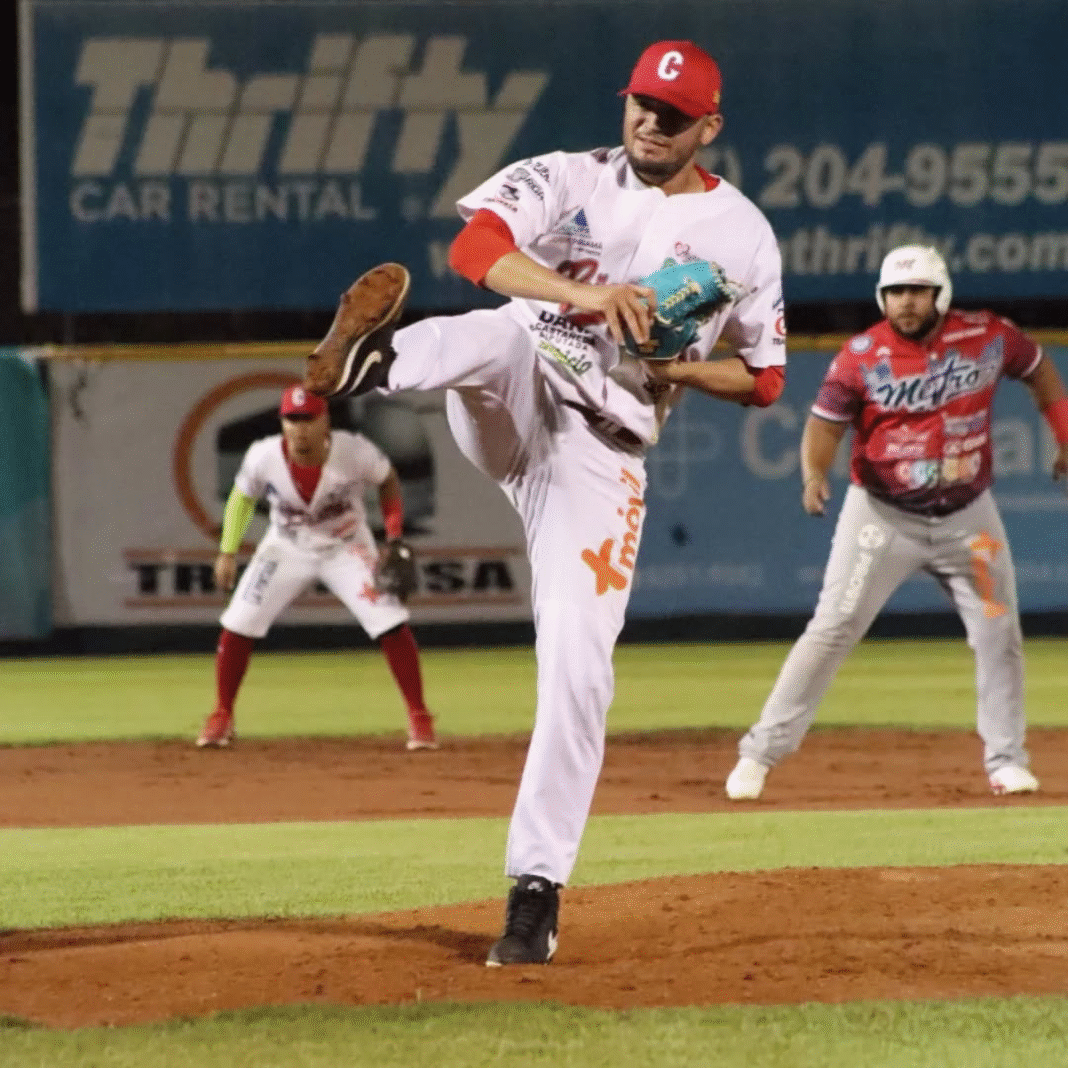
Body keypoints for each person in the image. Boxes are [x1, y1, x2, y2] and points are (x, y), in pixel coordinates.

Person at [304, 40, 786, 965]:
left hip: (600, 458)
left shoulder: (743, 236)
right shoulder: (567, 177)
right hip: (515, 391)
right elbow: (473, 246)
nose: (652, 120)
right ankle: (374, 365)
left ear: (709, 127)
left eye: (674, 113)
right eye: (642, 102)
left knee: (578, 663)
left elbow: (765, 381)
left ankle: (535, 892)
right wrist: (586, 294)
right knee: (502, 335)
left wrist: (676, 364)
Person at [725, 244, 1068, 802]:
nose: (906, 303)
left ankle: (1007, 761)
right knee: (832, 627)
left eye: (917, 291)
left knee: (999, 632)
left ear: (941, 294)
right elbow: (824, 425)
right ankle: (759, 755)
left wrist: (1063, 432)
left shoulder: (988, 336)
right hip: (881, 516)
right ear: (881, 297)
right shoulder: (860, 355)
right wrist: (813, 474)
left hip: (969, 520)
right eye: (895, 293)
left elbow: (1040, 370)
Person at [195, 385, 437, 752]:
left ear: (324, 421)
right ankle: (222, 714)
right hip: (286, 546)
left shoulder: (354, 451)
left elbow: (387, 481)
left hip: (346, 545)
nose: (300, 427)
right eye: (292, 419)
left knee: (389, 620)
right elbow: (241, 500)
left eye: (307, 418)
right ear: (282, 423)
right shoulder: (263, 456)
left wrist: (393, 537)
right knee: (238, 623)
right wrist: (227, 551)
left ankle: (419, 716)